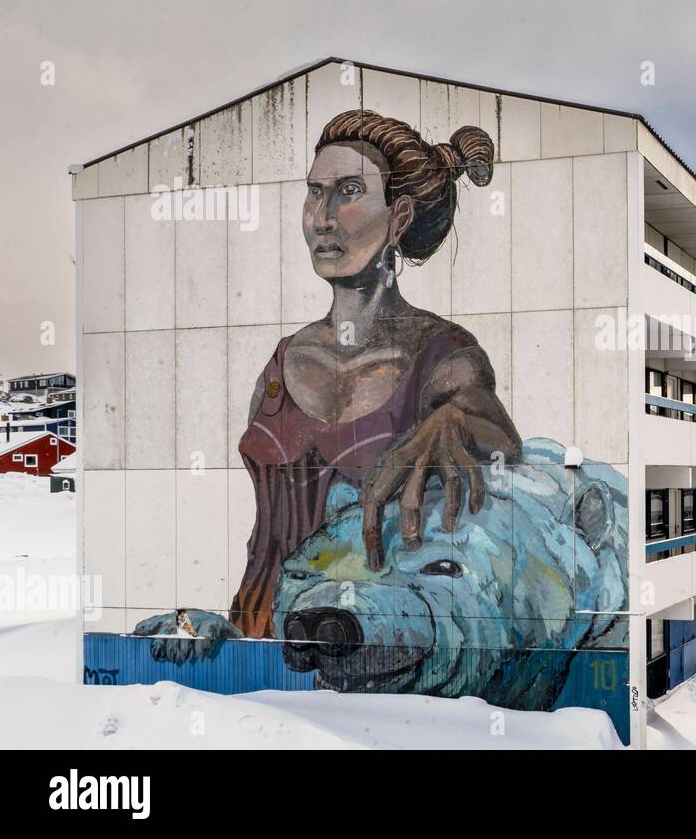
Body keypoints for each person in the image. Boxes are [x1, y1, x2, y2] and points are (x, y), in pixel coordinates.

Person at [144, 110, 521, 644]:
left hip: (369, 651)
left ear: (400, 216)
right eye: (314, 192)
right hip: (261, 639)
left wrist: (452, 423)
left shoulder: (442, 354)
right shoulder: (283, 360)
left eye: (348, 191)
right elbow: (268, 543)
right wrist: (223, 636)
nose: (322, 217)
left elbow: (500, 436)